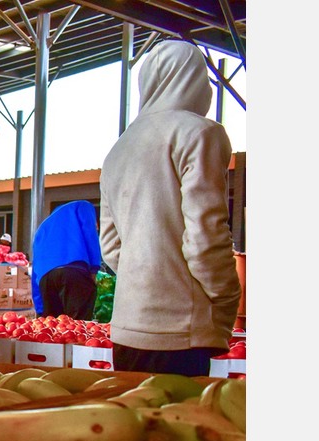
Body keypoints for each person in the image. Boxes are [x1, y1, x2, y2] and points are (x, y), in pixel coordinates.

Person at [99, 40, 240, 378]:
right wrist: (225, 296)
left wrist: (147, 275)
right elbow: (205, 238)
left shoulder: (119, 148)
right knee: (177, 427)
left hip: (128, 329)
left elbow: (110, 246)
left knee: (135, 425)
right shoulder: (201, 133)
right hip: (180, 332)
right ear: (191, 80)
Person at [31, 200, 102, 321]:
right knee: (78, 327)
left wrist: (40, 309)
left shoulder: (43, 227)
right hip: (73, 271)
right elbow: (90, 235)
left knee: (52, 329)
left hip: (46, 279)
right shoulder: (82, 206)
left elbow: (35, 270)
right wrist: (94, 268)